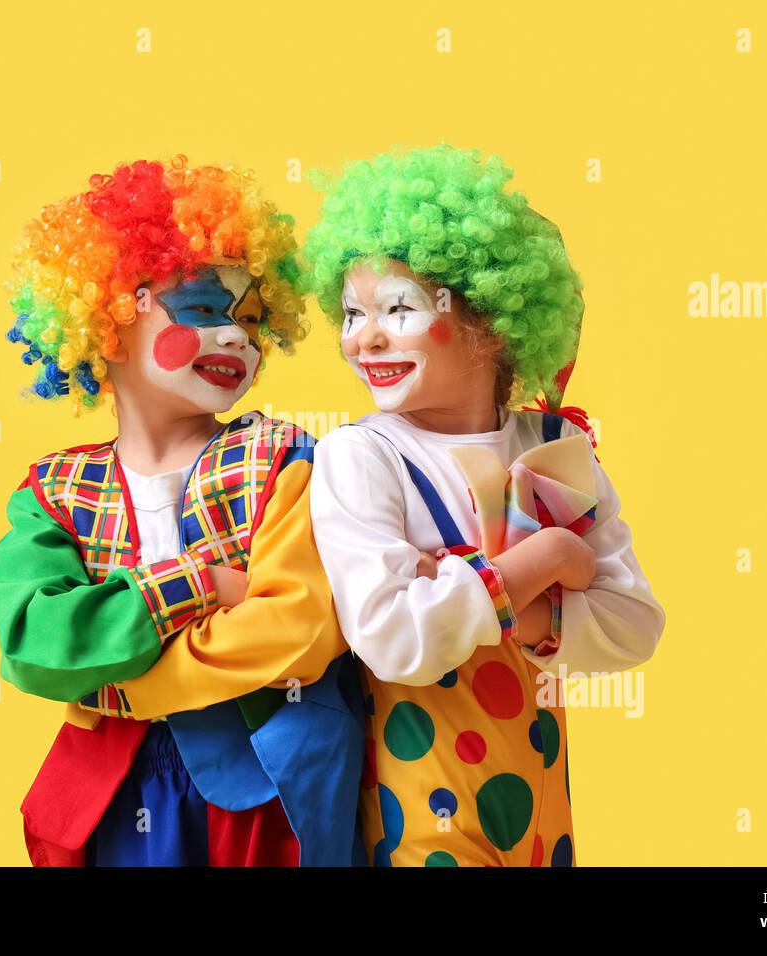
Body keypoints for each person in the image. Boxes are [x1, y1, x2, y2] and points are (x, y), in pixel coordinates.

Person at [0, 157, 364, 867]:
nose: (236, 338)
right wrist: (197, 583)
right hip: (112, 795)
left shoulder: (285, 461)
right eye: (201, 308)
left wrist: (119, 685)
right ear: (109, 320)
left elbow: (295, 632)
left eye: (251, 321)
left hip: (264, 791)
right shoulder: (54, 491)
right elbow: (35, 643)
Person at [303, 144, 666, 867]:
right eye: (350, 313)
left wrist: (470, 589)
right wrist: (550, 561)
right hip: (422, 806)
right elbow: (394, 638)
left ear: (494, 324)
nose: (362, 337)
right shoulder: (361, 456)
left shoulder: (559, 445)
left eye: (397, 309)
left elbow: (634, 627)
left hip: (543, 810)